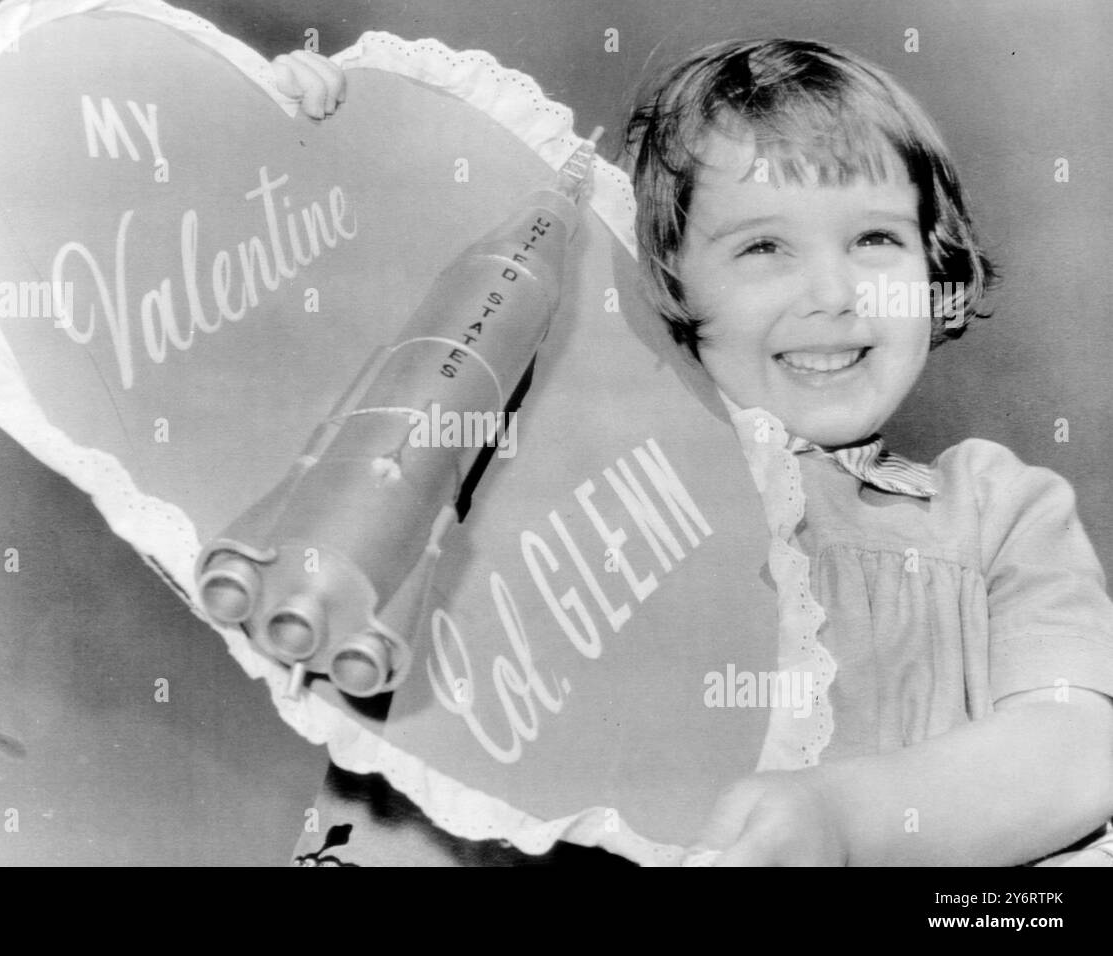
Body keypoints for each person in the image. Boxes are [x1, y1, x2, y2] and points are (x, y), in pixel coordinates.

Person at [272, 38, 1113, 866]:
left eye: (874, 240)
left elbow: (1078, 748)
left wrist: (844, 825)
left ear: (935, 269)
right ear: (663, 283)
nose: (832, 294)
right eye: (763, 248)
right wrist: (315, 135)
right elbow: (403, 374)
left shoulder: (996, 512)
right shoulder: (570, 463)